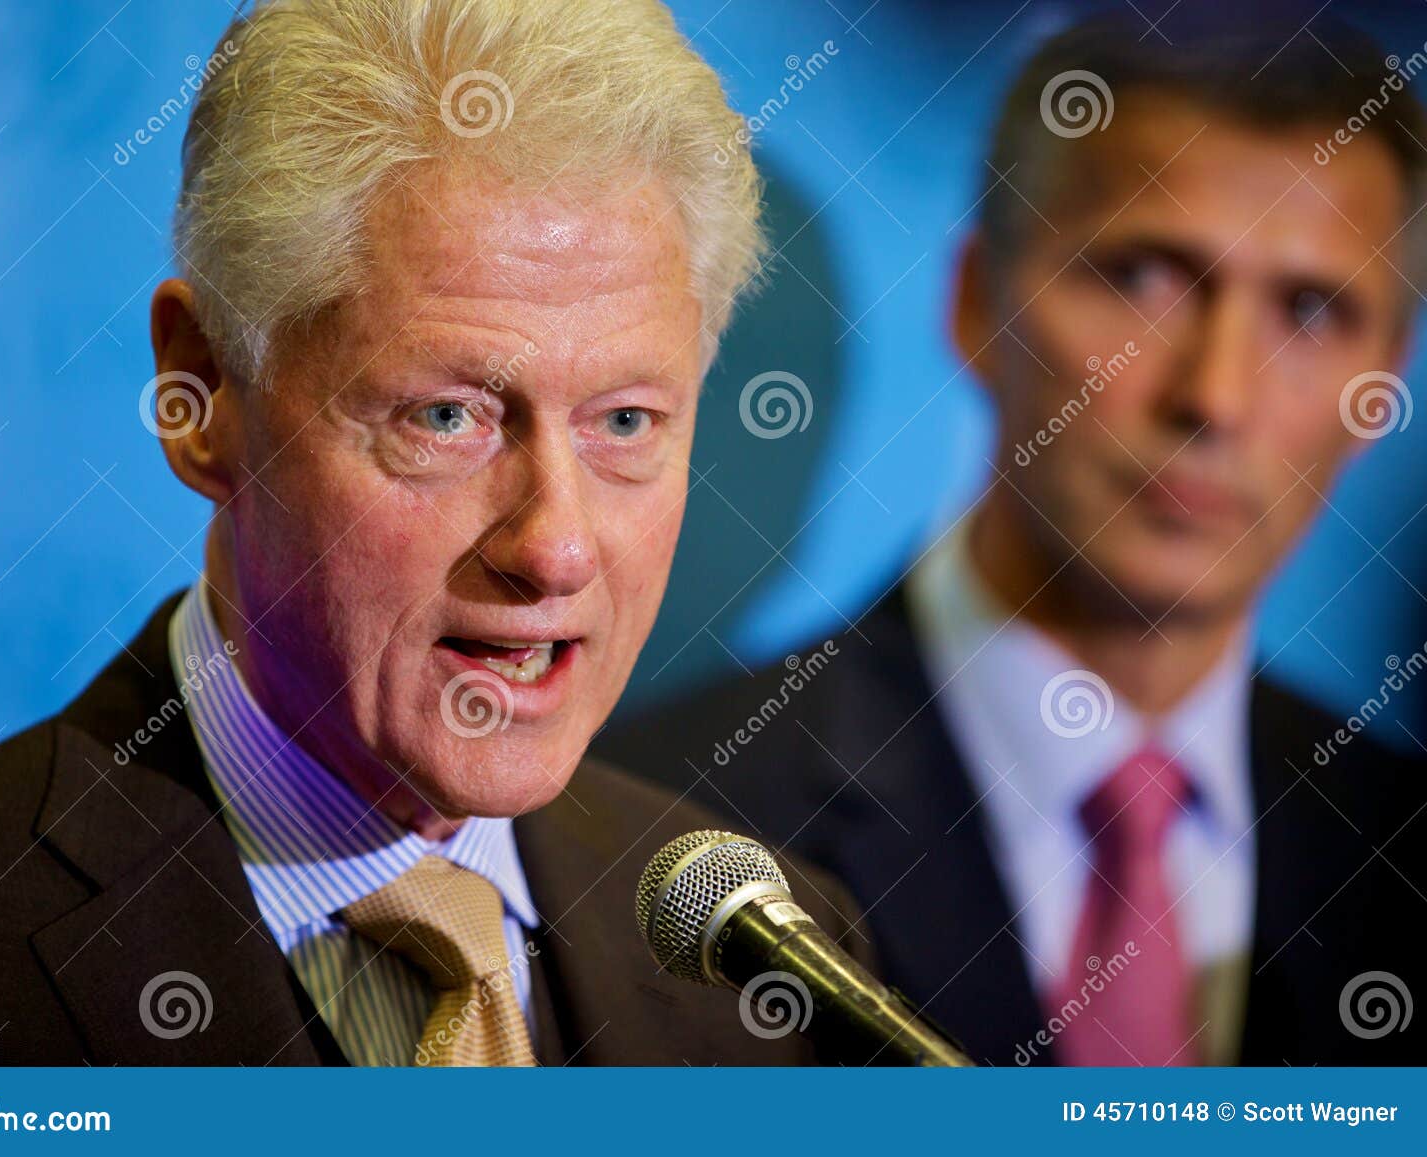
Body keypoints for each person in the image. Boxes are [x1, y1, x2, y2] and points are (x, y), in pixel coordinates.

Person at [0, 0, 871, 1067]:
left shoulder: (777, 968)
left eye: (623, 421)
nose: (555, 548)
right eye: (445, 416)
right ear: (202, 391)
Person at [602, 13, 1427, 1066]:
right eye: (1142, 279)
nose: (1215, 395)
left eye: (1308, 312)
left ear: (1382, 387)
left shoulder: (1396, 845)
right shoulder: (661, 832)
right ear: (972, 303)